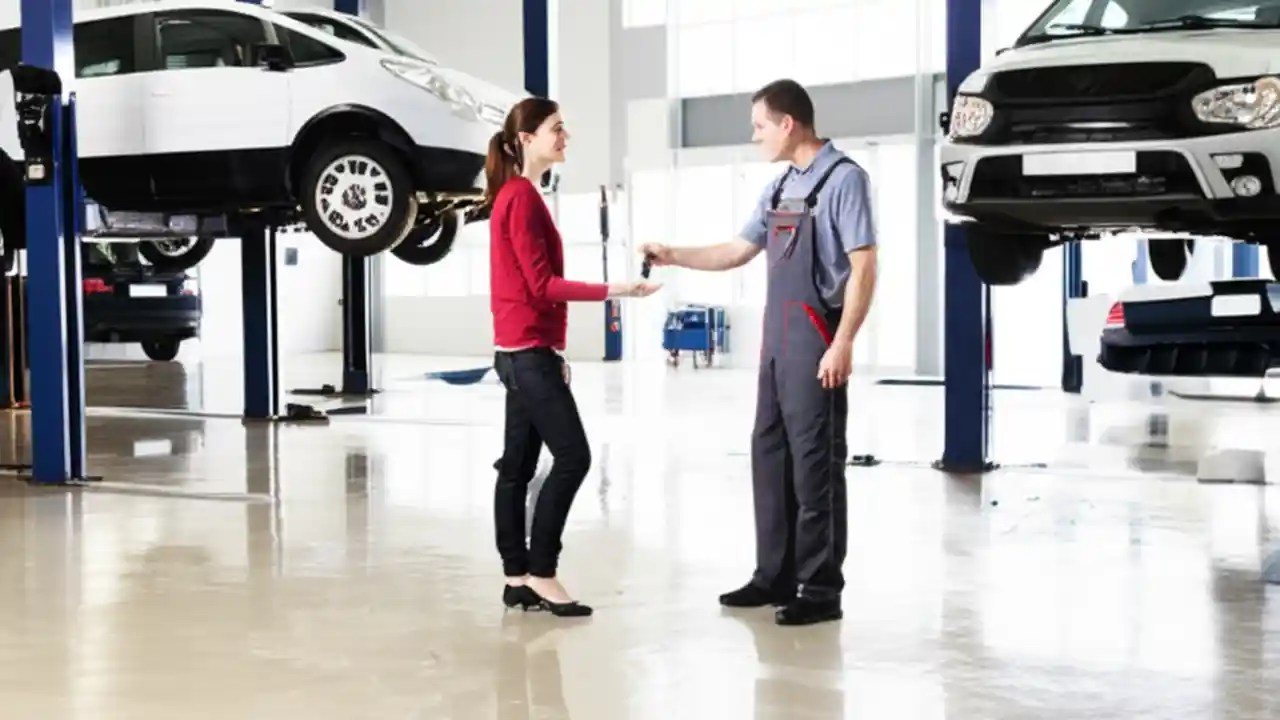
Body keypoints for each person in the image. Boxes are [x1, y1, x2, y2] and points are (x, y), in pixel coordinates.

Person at [640, 79, 877, 626]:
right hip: (777, 342)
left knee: (815, 466)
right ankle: (774, 576)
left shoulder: (845, 180)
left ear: (788, 124)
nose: (755, 136)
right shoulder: (777, 188)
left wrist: (843, 343)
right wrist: (672, 254)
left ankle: (820, 589)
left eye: (760, 126)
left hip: (817, 338)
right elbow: (735, 251)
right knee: (770, 458)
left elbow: (865, 266)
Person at [486, 97, 660, 618]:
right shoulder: (520, 198)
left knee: (517, 467)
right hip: (526, 355)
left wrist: (553, 350)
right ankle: (541, 572)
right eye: (556, 129)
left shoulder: (518, 195)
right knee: (573, 457)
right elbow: (543, 285)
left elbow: (528, 288)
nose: (566, 137)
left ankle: (516, 578)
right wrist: (618, 289)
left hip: (520, 352)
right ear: (526, 139)